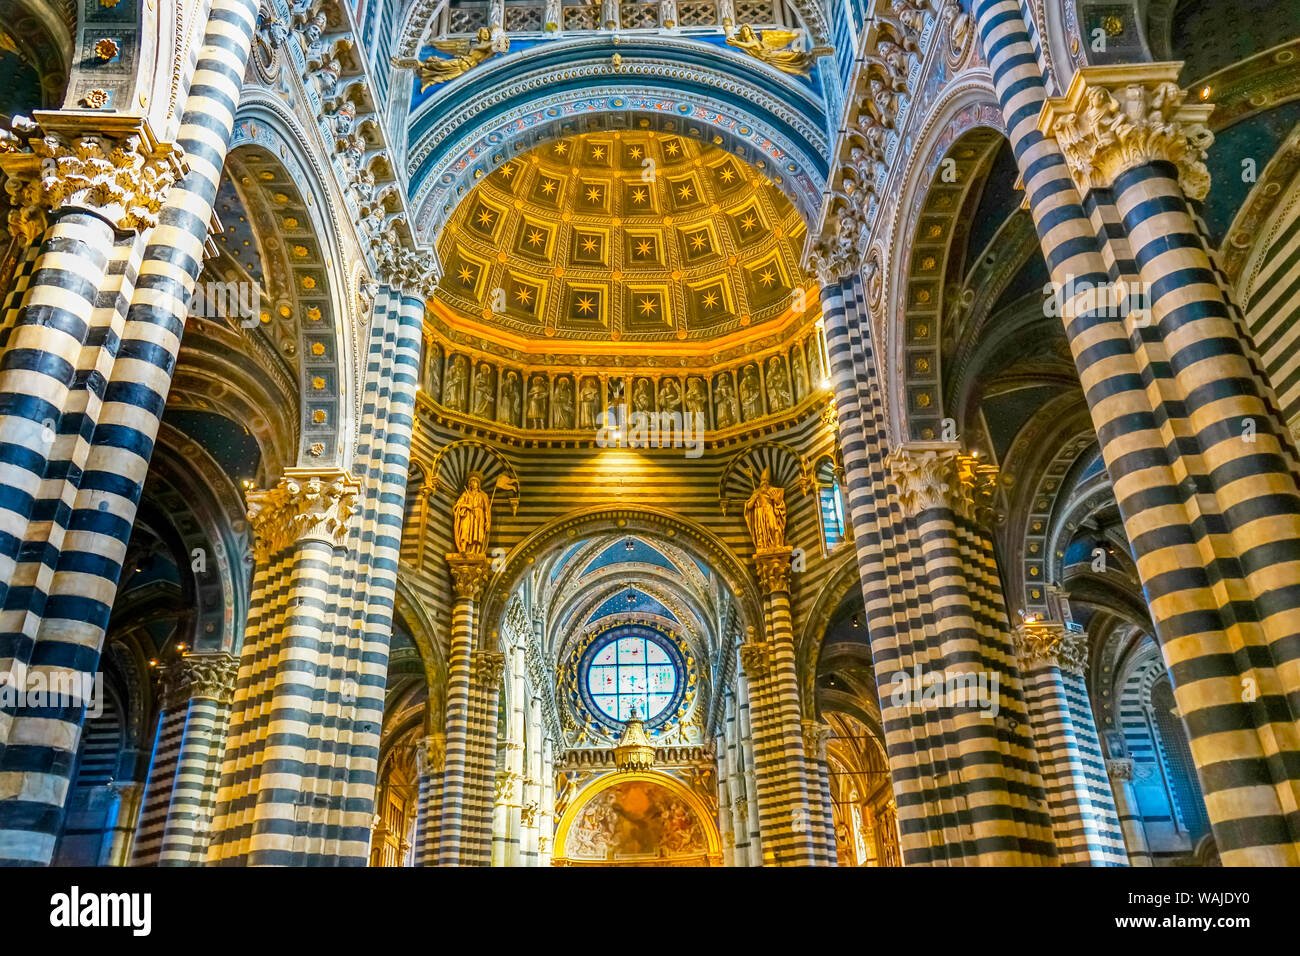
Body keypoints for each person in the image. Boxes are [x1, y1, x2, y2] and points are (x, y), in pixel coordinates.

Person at [744, 467, 786, 550]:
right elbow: (749, 506)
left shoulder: (773, 490)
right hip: (759, 513)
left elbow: (780, 502)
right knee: (761, 530)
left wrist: (774, 498)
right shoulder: (756, 492)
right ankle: (762, 545)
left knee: (773, 527)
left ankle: (777, 544)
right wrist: (754, 498)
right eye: (763, 481)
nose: (764, 483)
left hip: (770, 510)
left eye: (766, 481)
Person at [452, 474, 490, 555]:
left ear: (478, 484)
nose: (473, 484)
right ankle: (464, 549)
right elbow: (458, 505)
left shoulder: (483, 495)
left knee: (477, 533)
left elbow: (486, 510)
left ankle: (476, 551)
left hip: (479, 515)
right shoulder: (465, 494)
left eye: (475, 482)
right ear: (469, 484)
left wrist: (488, 521)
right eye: (472, 482)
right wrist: (466, 505)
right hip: (468, 515)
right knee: (465, 531)